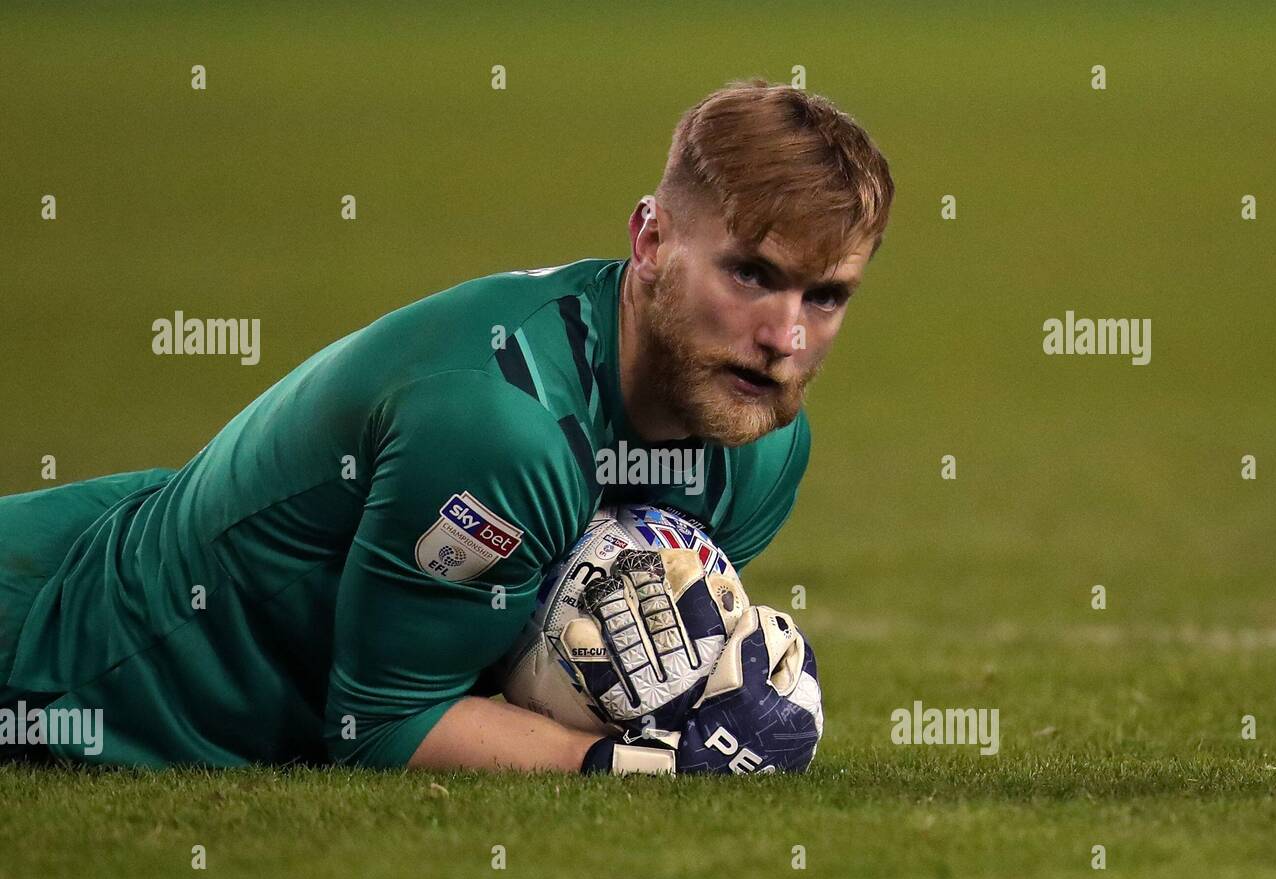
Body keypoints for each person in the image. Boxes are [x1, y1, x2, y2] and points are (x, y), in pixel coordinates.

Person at [0, 79, 893, 771]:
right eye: (749, 276)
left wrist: (712, 679)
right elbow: (384, 722)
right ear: (651, 242)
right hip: (71, 657)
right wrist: (656, 766)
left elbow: (544, 653)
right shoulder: (502, 421)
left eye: (826, 296)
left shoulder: (761, 445)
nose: (785, 339)